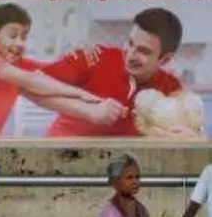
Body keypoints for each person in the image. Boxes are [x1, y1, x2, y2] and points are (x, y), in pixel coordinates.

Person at [0, 2, 126, 137]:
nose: (19, 43)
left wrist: (94, 108)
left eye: (24, 37)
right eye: (12, 36)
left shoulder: (18, 66)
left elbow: (49, 92)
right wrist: (83, 95)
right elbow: (32, 81)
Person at [33, 8, 191, 138]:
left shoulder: (170, 88)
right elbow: (33, 83)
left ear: (165, 59)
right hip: (65, 155)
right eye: (130, 42)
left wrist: (186, 135)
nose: (130, 54)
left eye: (143, 51)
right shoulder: (95, 57)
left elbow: (182, 133)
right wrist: (88, 110)